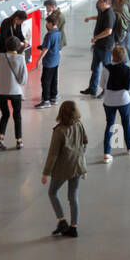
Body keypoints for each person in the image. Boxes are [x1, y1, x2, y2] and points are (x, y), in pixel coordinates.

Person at [42, 100, 88, 238]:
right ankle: (74, 227)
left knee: (52, 193)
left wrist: (46, 172)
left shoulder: (59, 131)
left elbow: (53, 154)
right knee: (73, 196)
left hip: (62, 168)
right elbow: (85, 142)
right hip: (77, 166)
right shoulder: (79, 124)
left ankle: (62, 221)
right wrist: (80, 156)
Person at [101, 45, 130, 163]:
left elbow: (102, 84)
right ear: (124, 57)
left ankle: (107, 153)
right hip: (124, 100)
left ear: (112, 56)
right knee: (126, 123)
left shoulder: (106, 68)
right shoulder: (127, 69)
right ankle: (129, 148)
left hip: (109, 101)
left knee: (110, 125)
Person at [0, 35, 27, 150]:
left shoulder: (0, 56)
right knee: (17, 115)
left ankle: (0, 137)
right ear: (18, 46)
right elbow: (23, 80)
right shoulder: (21, 58)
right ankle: (19, 141)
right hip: (15, 92)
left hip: (0, 91)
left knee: (5, 114)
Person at [81, 0, 114, 97]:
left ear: (105, 2)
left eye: (99, 1)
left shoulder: (109, 14)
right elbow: (99, 17)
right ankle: (92, 88)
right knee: (95, 68)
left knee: (106, 70)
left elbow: (108, 31)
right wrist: (90, 18)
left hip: (105, 47)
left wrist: (96, 37)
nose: (97, 3)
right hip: (98, 46)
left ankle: (106, 90)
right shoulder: (102, 12)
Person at [35, 14, 62, 109]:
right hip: (56, 59)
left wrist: (39, 60)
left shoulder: (49, 34)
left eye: (47, 23)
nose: (46, 25)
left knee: (45, 81)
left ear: (50, 23)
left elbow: (46, 49)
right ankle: (53, 96)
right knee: (54, 79)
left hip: (49, 61)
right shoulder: (59, 32)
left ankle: (46, 100)